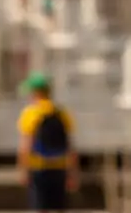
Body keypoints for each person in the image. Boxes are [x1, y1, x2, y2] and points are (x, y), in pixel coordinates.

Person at [17, 72, 79, 213]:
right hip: (60, 167)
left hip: (39, 167)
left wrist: (23, 170)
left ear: (36, 92)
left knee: (40, 207)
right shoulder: (62, 113)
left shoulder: (31, 113)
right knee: (59, 207)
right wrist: (73, 173)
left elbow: (25, 146)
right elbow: (70, 146)